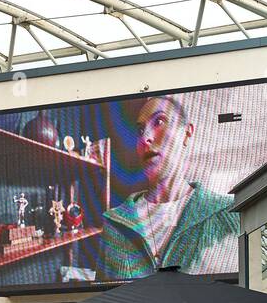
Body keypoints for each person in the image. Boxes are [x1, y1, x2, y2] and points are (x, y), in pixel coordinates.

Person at [95, 94, 240, 281]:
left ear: (187, 133)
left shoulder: (231, 213)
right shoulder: (114, 223)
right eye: (140, 130)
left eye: (159, 121)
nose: (146, 137)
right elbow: (102, 301)